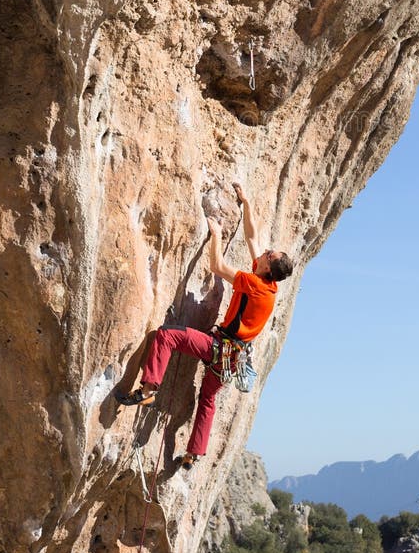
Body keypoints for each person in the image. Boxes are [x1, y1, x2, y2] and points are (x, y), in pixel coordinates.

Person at [117, 182, 293, 469]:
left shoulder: (254, 283)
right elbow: (252, 237)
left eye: (269, 254)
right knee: (207, 400)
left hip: (217, 347)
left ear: (267, 267)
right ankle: (194, 452)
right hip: (232, 358)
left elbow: (217, 267)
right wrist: (246, 202)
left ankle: (149, 389)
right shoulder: (268, 284)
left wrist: (216, 235)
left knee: (166, 336)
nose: (265, 251)